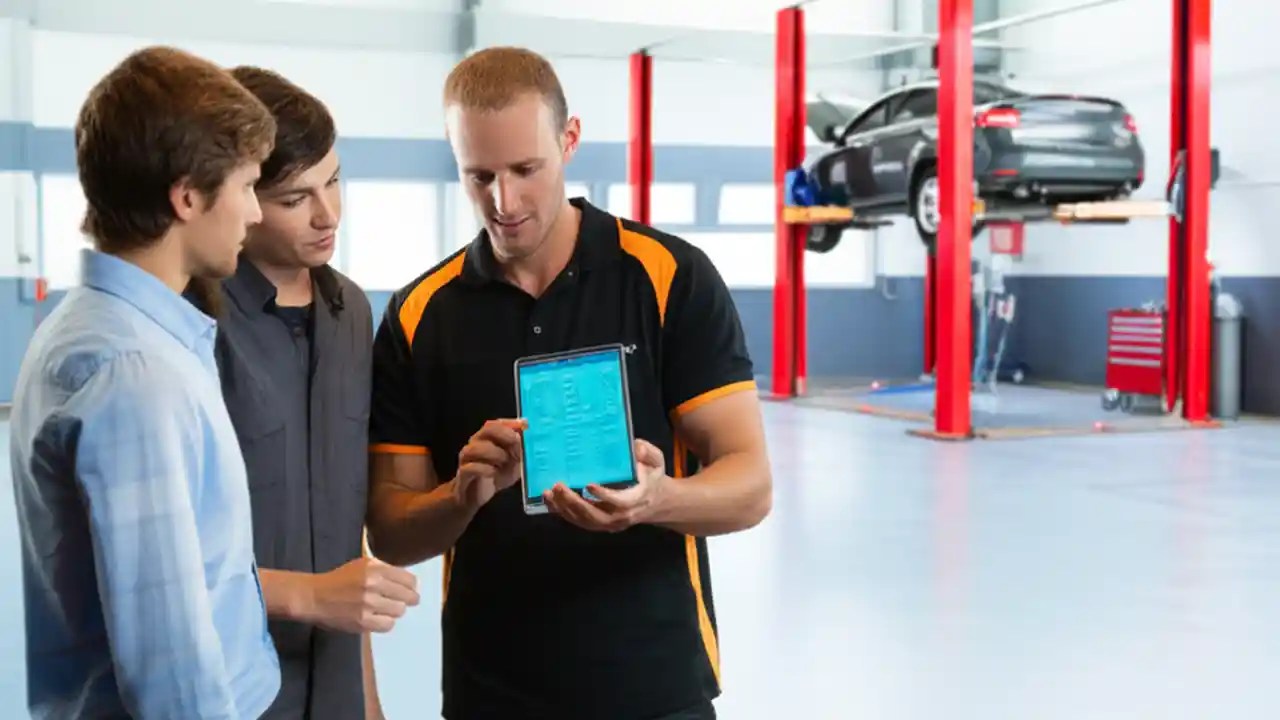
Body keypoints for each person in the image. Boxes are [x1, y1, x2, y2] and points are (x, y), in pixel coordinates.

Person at [364, 46, 773, 719]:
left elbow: (751, 486)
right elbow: (392, 533)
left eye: (527, 169)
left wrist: (657, 500)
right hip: (491, 692)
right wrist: (461, 497)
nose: (504, 202)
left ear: (570, 138)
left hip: (655, 683)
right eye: (479, 176)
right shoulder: (418, 316)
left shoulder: (670, 276)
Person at [8, 46, 282, 718]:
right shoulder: (136, 377)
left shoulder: (92, 331)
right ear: (187, 196)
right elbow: (170, 677)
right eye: (247, 185)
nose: (255, 213)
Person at [211, 65, 419, 720]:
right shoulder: (195, 322)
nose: (329, 213)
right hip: (230, 692)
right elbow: (160, 565)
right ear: (241, 195)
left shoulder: (353, 312)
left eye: (333, 180)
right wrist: (306, 595)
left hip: (334, 695)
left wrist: (369, 704)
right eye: (296, 197)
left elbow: (343, 542)